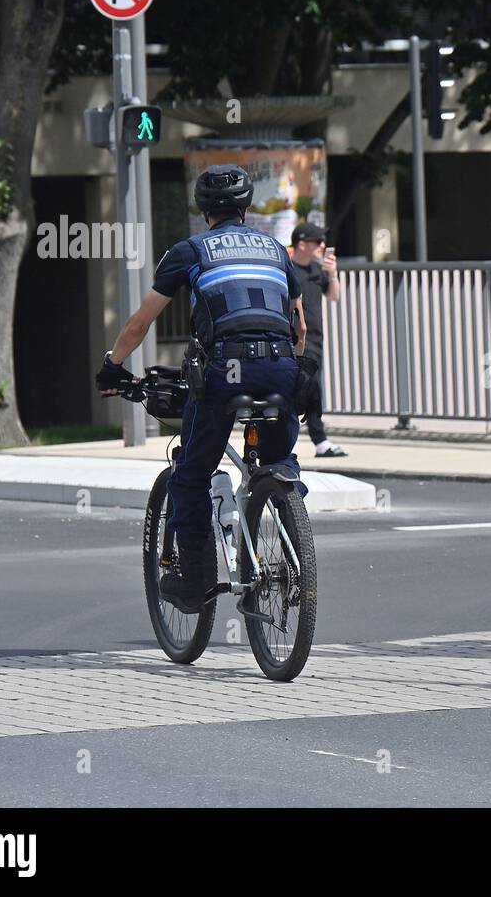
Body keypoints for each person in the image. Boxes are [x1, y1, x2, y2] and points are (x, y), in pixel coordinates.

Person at [96, 164, 307, 615]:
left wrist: (112, 366)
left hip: (225, 372)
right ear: (248, 208)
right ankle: (294, 544)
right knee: (279, 459)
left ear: (202, 209)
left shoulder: (189, 251)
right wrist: (290, 367)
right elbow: (299, 326)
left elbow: (140, 323)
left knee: (191, 475)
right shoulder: (276, 250)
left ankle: (191, 580)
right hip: (283, 369)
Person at [289, 222, 346, 457]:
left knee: (313, 388)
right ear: (302, 244)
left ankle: (319, 442)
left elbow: (333, 296)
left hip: (315, 339)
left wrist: (332, 274)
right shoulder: (288, 270)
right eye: (317, 241)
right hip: (294, 339)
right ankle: (316, 441)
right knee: (302, 389)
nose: (322, 245)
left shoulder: (316, 270)